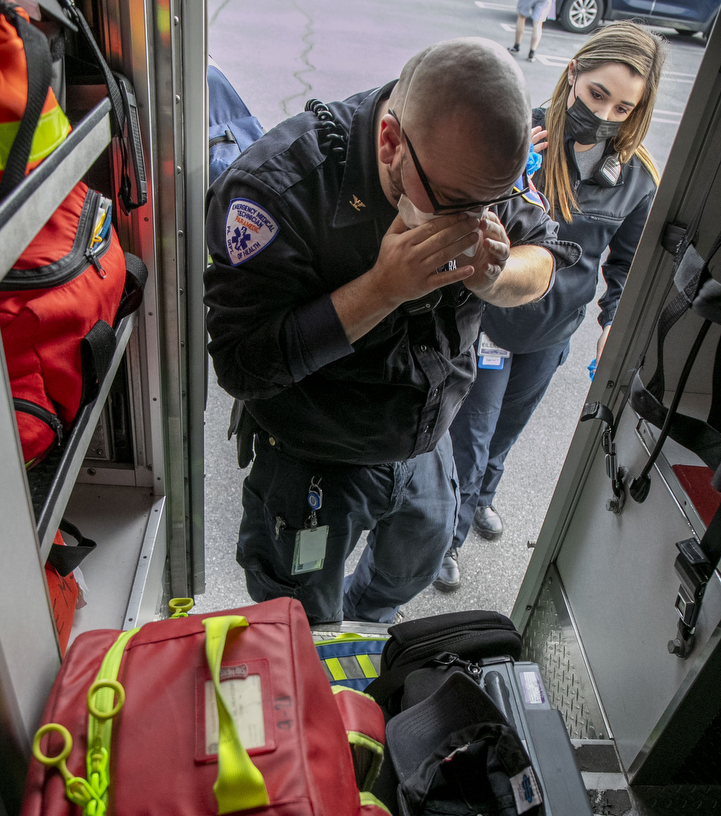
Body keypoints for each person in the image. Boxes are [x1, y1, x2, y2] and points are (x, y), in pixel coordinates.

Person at [204, 37, 579, 624]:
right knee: (298, 616)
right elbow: (242, 363)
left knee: (413, 566)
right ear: (390, 143)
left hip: (424, 439)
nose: (474, 220)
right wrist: (382, 289)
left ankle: (366, 625)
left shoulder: (474, 173)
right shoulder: (277, 191)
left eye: (492, 202)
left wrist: (494, 273)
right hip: (315, 452)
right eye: (457, 202)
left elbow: (546, 260)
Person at [434, 22, 665, 592]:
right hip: (491, 318)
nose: (605, 114)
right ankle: (447, 537)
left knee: (507, 430)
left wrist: (613, 321)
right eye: (596, 95)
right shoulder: (515, 132)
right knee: (472, 435)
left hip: (553, 329)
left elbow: (625, 263)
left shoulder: (636, 175)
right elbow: (454, 209)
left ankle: (483, 498)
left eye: (622, 106)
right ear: (572, 75)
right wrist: (511, 180)